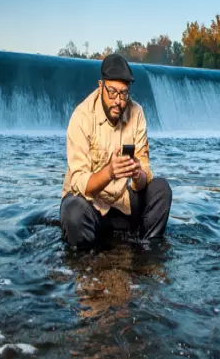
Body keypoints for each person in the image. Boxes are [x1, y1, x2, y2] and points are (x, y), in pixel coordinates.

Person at [60, 53, 172, 248]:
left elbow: (144, 178)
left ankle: (146, 251)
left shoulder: (136, 113)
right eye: (112, 92)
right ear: (101, 86)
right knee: (74, 213)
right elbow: (80, 184)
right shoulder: (82, 117)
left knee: (161, 189)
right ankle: (86, 260)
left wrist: (138, 174)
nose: (118, 101)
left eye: (124, 93)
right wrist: (109, 172)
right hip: (89, 205)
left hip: (121, 204)